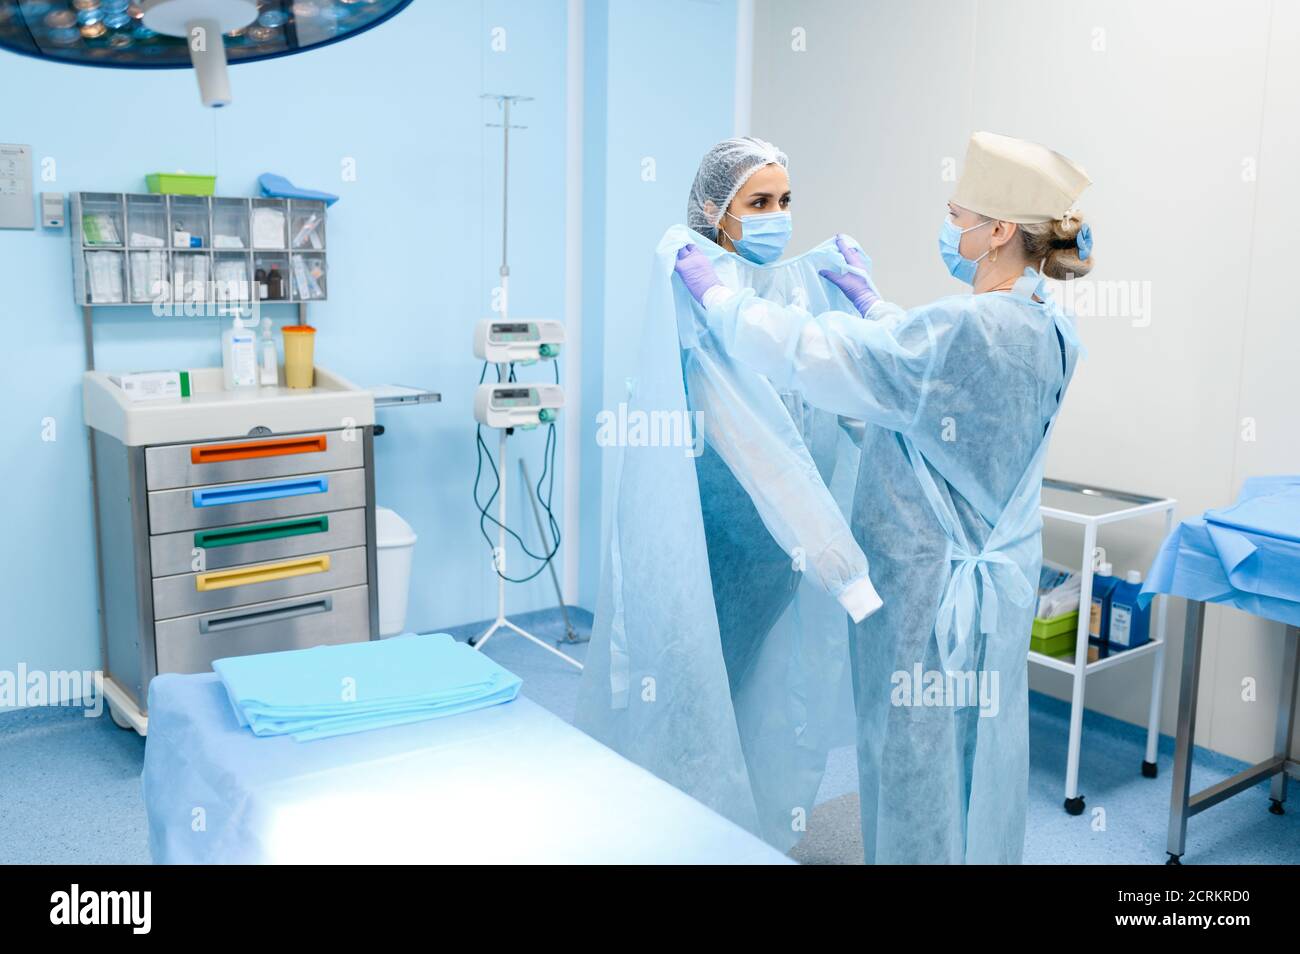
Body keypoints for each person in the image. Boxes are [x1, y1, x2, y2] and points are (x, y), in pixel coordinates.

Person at [673, 131, 1093, 863]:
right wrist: (871, 304)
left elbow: (823, 358)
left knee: (915, 764)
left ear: (998, 231)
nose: (948, 225)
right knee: (981, 752)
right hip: (993, 589)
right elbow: (921, 380)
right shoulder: (1048, 325)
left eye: (956, 212)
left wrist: (721, 302)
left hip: (927, 593)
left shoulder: (967, 329)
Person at [575, 138, 880, 849]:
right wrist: (844, 567)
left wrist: (867, 311)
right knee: (689, 694)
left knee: (754, 701)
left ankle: (732, 832)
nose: (779, 217)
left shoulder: (779, 296)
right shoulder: (699, 294)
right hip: (717, 540)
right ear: (714, 211)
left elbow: (837, 403)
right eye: (759, 203)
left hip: (778, 554)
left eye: (785, 201)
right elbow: (762, 446)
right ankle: (673, 838)